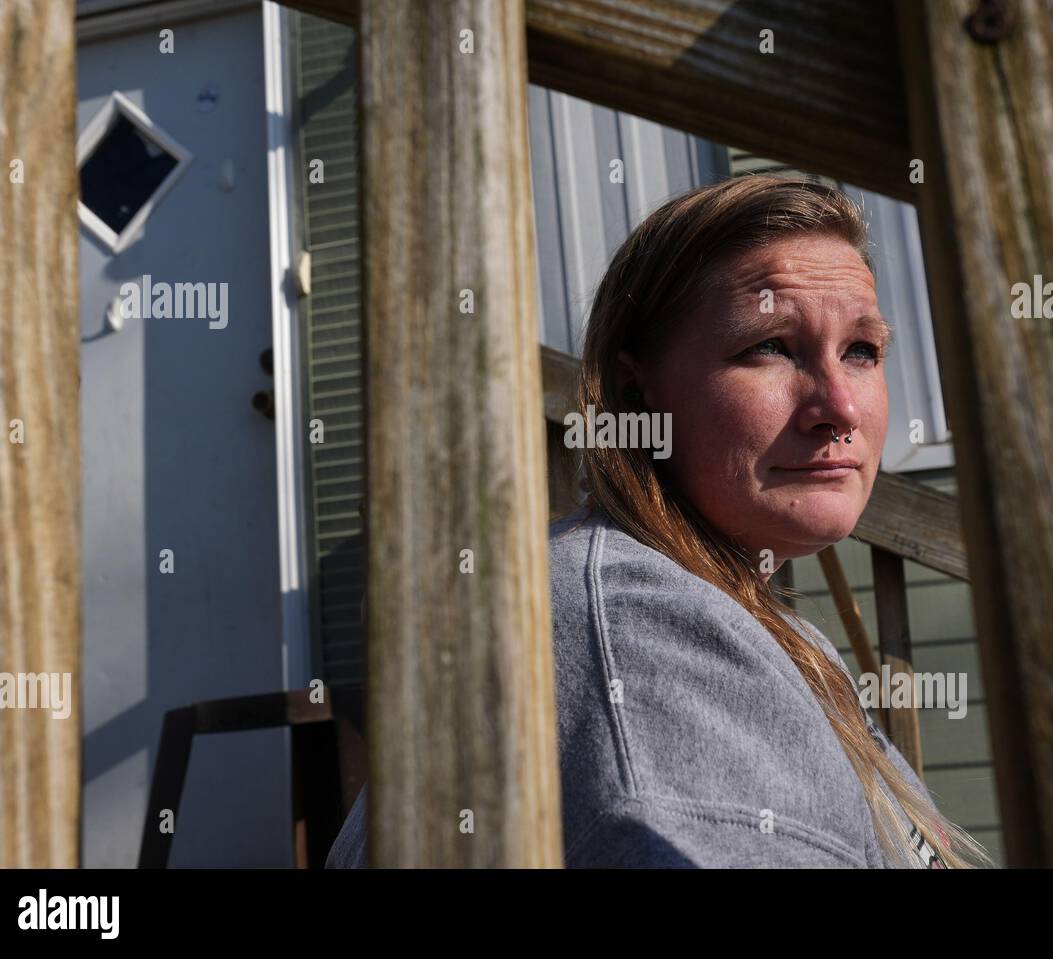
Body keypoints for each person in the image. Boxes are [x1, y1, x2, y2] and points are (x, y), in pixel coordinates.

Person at [327, 175, 989, 868]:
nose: (840, 407)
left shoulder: (764, 626)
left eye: (861, 351)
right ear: (637, 391)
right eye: (769, 346)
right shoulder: (649, 636)